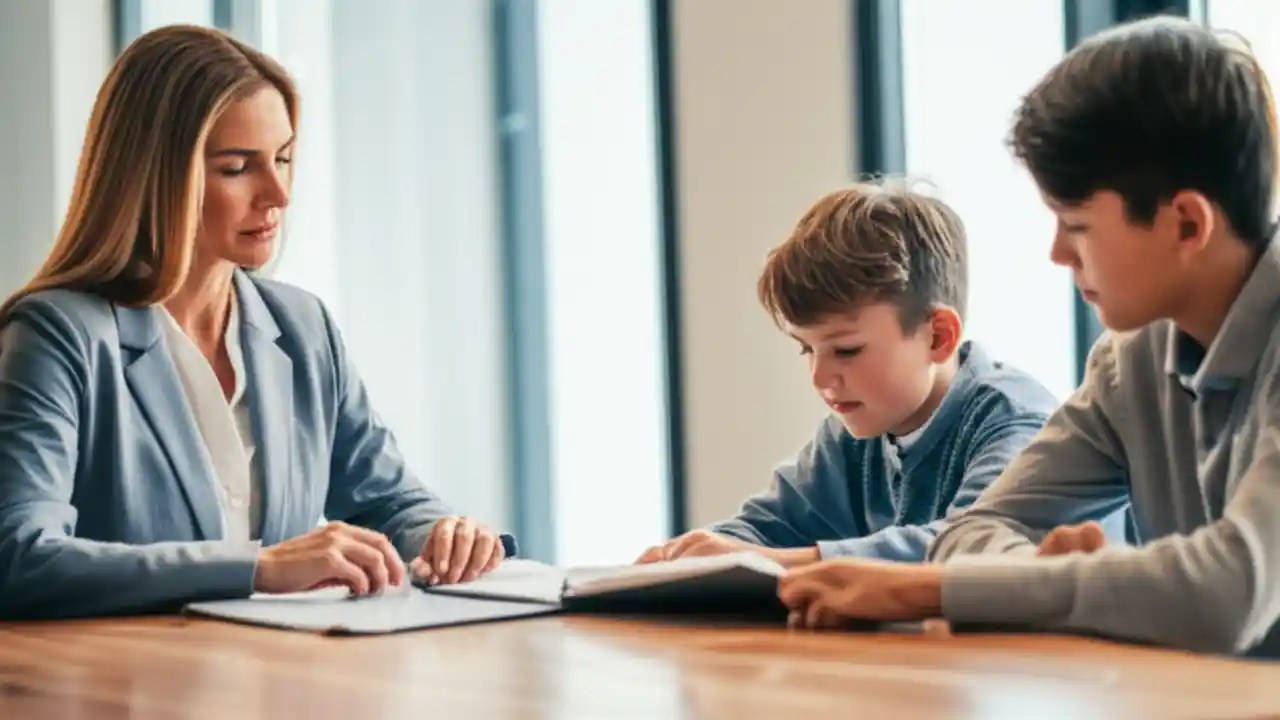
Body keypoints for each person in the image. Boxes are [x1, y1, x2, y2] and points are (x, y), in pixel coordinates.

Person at [778, 17, 1280, 658]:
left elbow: (1229, 592)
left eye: (1077, 224)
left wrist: (930, 590)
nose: (1057, 253)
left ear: (1186, 224)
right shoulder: (1129, 363)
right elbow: (970, 532)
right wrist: (1047, 580)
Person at [0, 25, 508, 619]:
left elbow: (390, 502)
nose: (277, 194)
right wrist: (257, 568)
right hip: (125, 673)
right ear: (155, 174)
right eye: (238, 167)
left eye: (283, 159)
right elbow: (19, 555)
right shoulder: (57, 334)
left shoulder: (302, 326)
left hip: (277, 667)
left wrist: (443, 536)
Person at [638, 182, 1075, 567]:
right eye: (806, 348)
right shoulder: (851, 436)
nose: (819, 377)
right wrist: (688, 560)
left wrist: (781, 561)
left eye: (846, 350)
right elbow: (767, 528)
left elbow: (971, 549)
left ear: (939, 336)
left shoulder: (1016, 420)